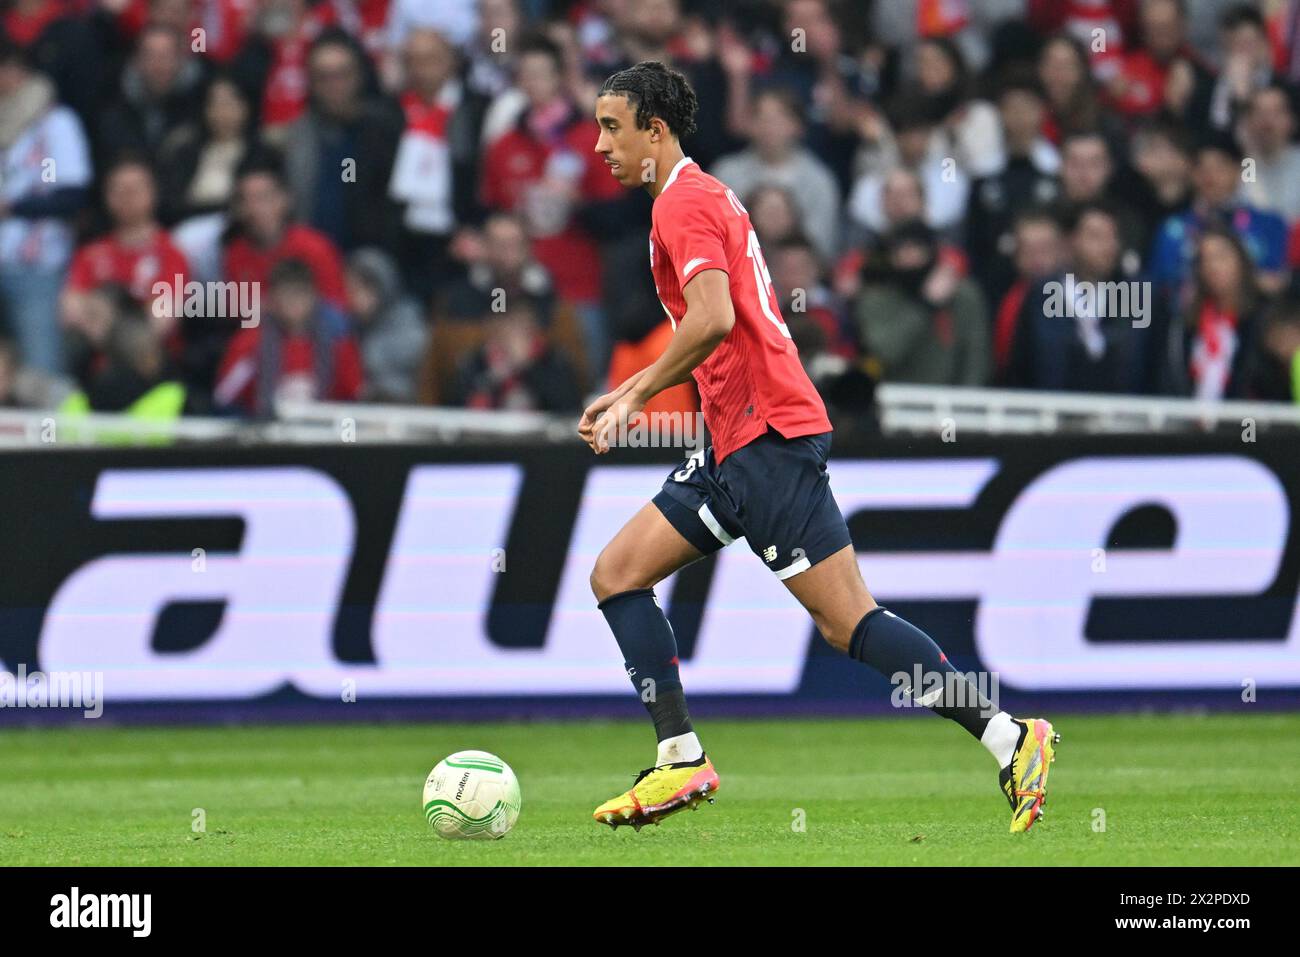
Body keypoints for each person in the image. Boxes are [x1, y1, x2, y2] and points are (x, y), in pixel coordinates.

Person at [582, 61, 1058, 834]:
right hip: (737, 440)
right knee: (617, 573)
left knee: (848, 625)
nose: (600, 144)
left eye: (611, 125)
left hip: (767, 436)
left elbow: (712, 319)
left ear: (655, 130)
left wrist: (635, 391)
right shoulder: (691, 199)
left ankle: (1010, 735)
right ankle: (679, 755)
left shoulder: (685, 204)